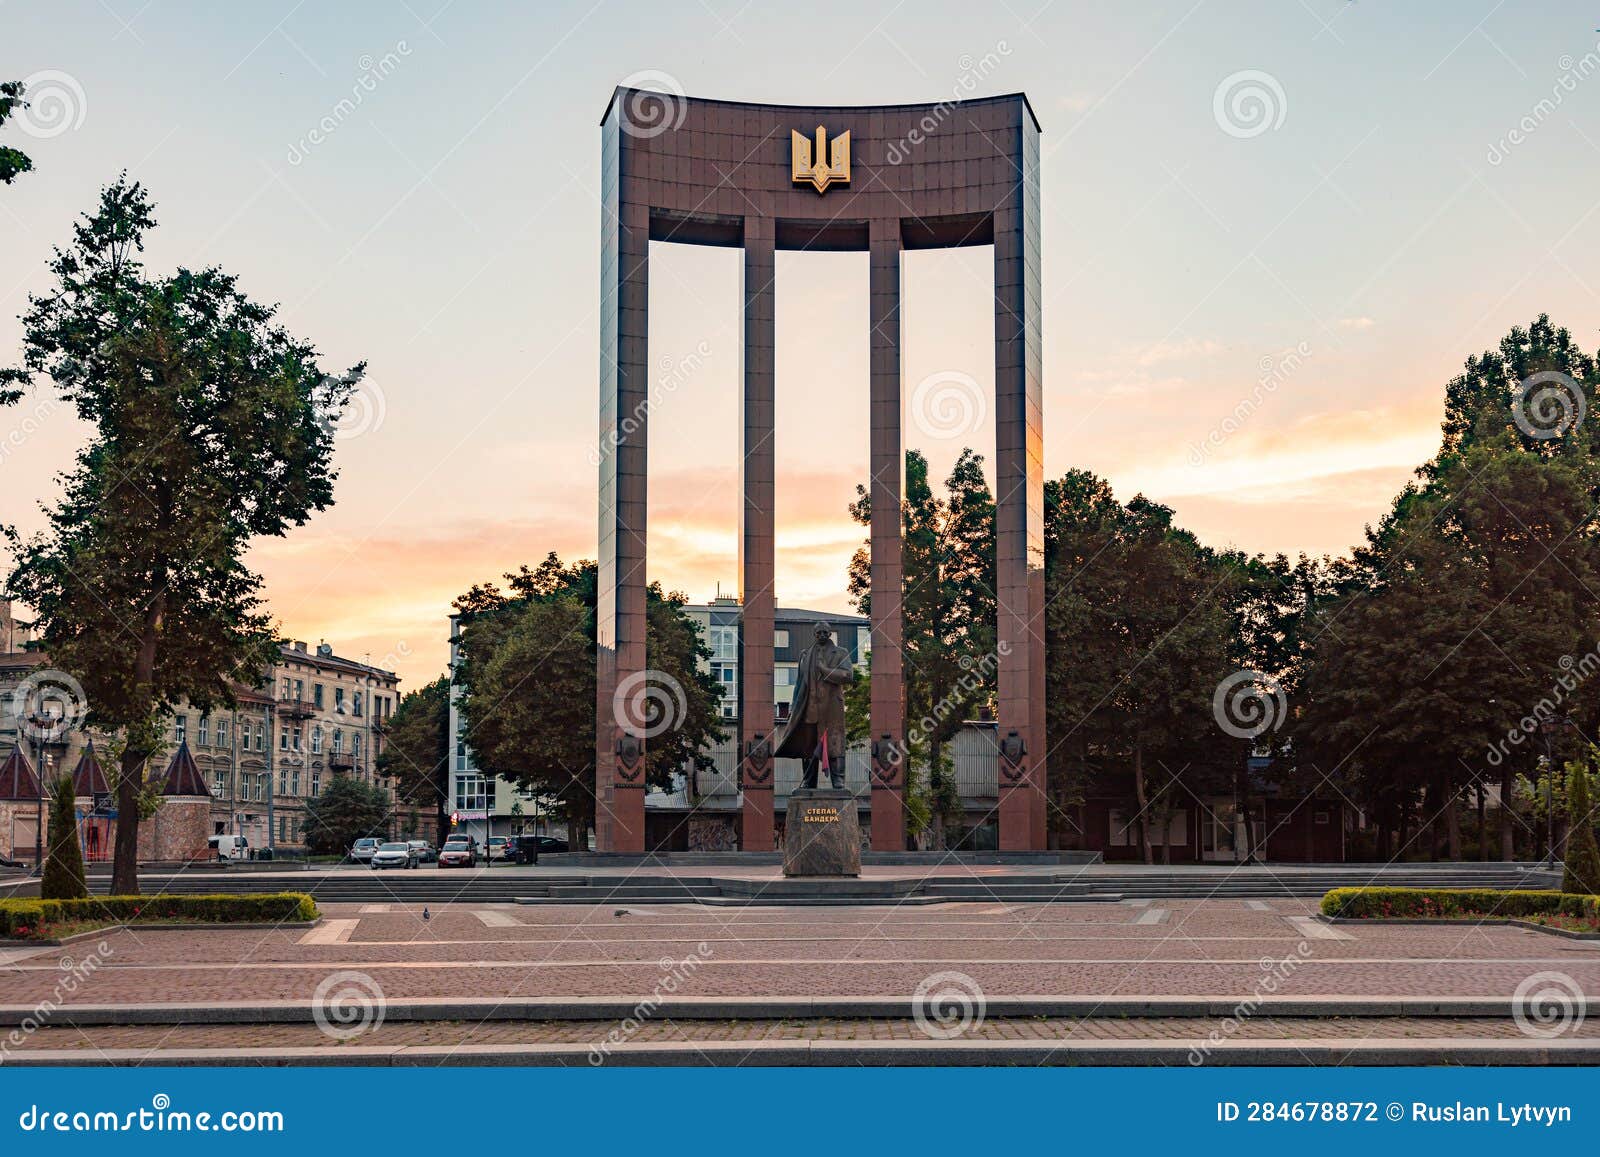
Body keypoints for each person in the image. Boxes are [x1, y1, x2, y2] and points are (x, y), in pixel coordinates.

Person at [773, 621, 854, 790]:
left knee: (834, 744)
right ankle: (809, 782)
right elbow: (799, 684)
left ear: (830, 634)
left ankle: (838, 781)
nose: (822, 635)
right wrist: (794, 708)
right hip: (808, 708)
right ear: (814, 634)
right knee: (808, 746)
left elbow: (847, 676)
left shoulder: (841, 653)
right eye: (819, 633)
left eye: (825, 632)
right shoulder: (805, 654)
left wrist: (824, 670)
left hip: (831, 708)